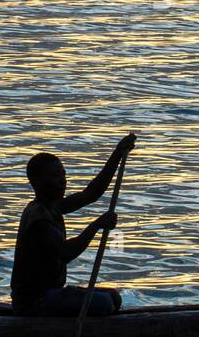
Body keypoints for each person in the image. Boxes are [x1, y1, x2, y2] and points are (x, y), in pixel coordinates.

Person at [11, 133, 136, 317]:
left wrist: (117, 153)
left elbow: (91, 193)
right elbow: (66, 252)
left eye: (63, 174)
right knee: (105, 303)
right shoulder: (38, 217)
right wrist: (96, 225)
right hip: (35, 302)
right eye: (55, 175)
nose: (63, 180)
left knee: (114, 297)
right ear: (38, 182)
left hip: (52, 294)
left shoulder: (54, 207)